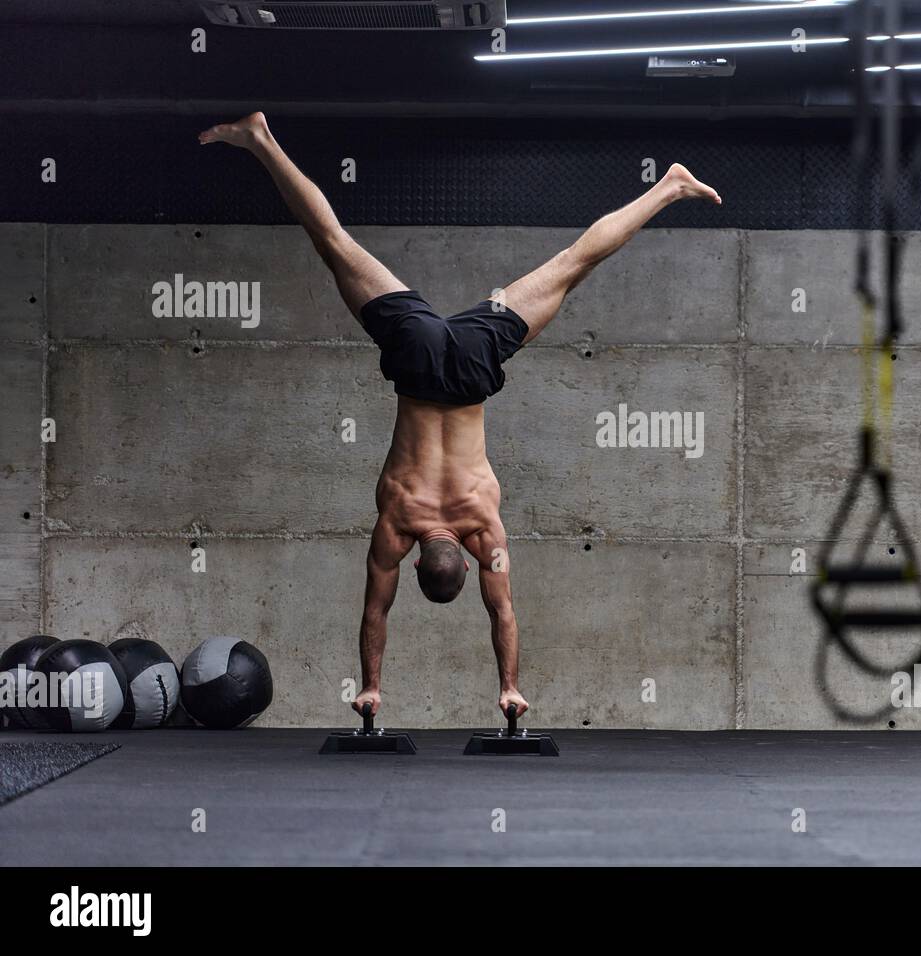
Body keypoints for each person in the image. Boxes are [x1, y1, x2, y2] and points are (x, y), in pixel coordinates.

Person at [199, 112, 722, 719]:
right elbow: (376, 610)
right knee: (334, 245)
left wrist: (512, 687)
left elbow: (502, 609)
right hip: (418, 359)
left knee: (571, 263)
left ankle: (668, 186)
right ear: (417, 560)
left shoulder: (485, 531)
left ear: (464, 563)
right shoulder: (396, 525)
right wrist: (369, 686)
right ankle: (262, 141)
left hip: (473, 364)